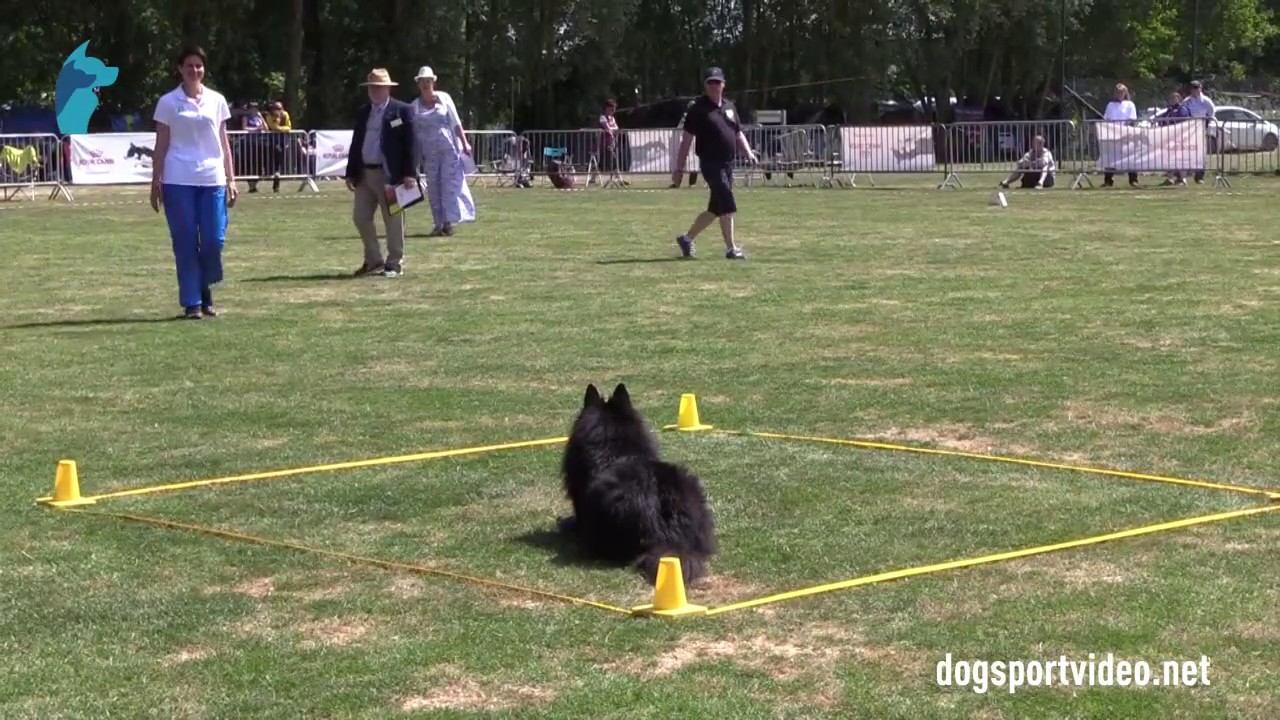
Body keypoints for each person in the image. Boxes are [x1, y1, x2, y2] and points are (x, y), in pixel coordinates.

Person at [149, 44, 238, 320]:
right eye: (189, 65)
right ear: (179, 69)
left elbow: (224, 142)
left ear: (204, 69)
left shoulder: (217, 100)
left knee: (213, 240)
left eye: (198, 65)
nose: (194, 70)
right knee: (185, 241)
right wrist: (156, 182)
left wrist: (231, 179)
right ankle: (193, 302)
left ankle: (205, 290)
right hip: (178, 179)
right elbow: (161, 144)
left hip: (212, 177)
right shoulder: (167, 102)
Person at [672, 66, 757, 260]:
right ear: (705, 85)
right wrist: (679, 168)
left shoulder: (729, 107)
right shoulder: (698, 109)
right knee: (727, 200)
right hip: (710, 163)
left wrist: (749, 153)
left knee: (716, 209)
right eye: (710, 83)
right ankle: (731, 248)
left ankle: (687, 238)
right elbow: (686, 140)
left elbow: (737, 133)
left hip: (727, 163)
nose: (714, 86)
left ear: (723, 85)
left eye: (717, 82)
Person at [344, 68, 417, 278]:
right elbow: (356, 143)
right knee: (360, 217)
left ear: (388, 88)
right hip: (364, 174)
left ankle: (394, 263)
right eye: (372, 87)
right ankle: (373, 259)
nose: (375, 91)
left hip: (390, 175)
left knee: (393, 219)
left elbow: (412, 144)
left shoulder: (402, 111)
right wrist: (350, 172)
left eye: (379, 87)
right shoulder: (363, 112)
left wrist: (410, 173)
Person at [408, 65, 475, 237]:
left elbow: (455, 122)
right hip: (429, 152)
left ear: (433, 82)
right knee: (433, 187)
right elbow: (412, 132)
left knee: (449, 185)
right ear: (418, 84)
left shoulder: (444, 98)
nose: (426, 85)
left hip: (448, 150)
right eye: (422, 82)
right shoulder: (414, 106)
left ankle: (448, 222)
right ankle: (437, 223)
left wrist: (465, 143)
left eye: (428, 81)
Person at [1102, 83, 1139, 187]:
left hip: (1126, 133)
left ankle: (1133, 180)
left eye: (1121, 92)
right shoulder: (1110, 105)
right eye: (1117, 92)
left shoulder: (1130, 104)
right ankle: (1108, 180)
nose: (1119, 94)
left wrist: (1124, 131)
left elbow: (1132, 120)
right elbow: (1107, 119)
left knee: (1130, 157)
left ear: (1125, 93)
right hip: (1113, 134)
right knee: (1110, 158)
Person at [1183, 80, 1215, 184]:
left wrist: (1206, 123)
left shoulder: (1206, 101)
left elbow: (1212, 112)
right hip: (1189, 129)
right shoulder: (1187, 101)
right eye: (1193, 88)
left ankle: (1200, 176)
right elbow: (1183, 112)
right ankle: (1184, 175)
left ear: (1200, 89)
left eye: (1196, 88)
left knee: (1201, 154)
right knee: (1188, 152)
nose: (1194, 90)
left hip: (1201, 128)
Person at [1159, 91, 1192, 186]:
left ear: (1179, 99)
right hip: (1170, 138)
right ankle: (1171, 178)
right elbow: (1164, 120)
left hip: (1180, 137)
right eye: (1171, 98)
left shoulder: (1183, 109)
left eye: (1175, 98)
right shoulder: (1169, 110)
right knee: (1170, 158)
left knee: (1180, 158)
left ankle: (1182, 178)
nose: (1173, 100)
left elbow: (1183, 120)